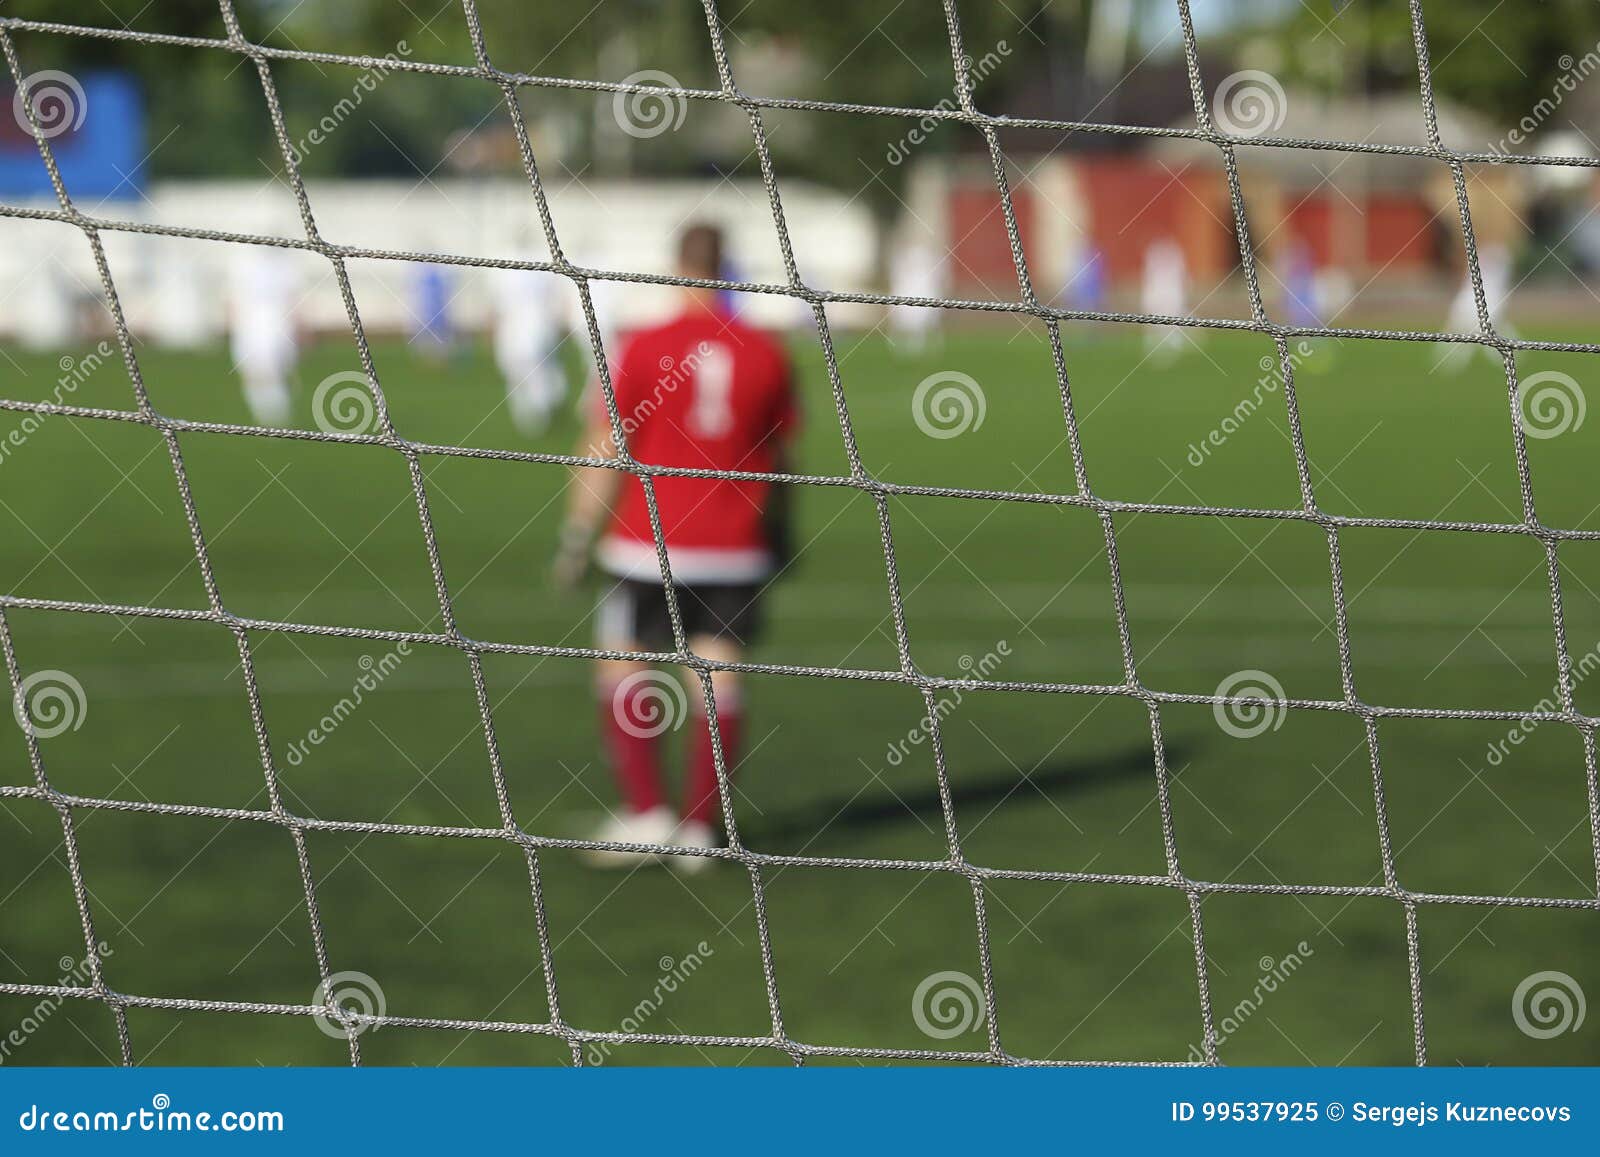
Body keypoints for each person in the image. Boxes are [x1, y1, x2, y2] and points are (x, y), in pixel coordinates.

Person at [553, 222, 798, 872]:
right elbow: (783, 456)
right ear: (728, 267)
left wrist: (577, 537)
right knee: (717, 676)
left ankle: (647, 811)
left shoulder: (645, 344)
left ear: (676, 265)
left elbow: (605, 446)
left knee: (622, 664)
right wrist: (781, 538)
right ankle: (699, 830)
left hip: (647, 542)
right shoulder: (766, 350)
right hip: (737, 542)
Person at [226, 242, 303, 426]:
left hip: (275, 320)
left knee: (270, 369)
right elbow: (234, 296)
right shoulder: (245, 264)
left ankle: (275, 414)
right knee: (252, 370)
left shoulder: (284, 266)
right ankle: (267, 413)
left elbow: (292, 296)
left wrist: (299, 325)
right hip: (250, 321)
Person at [491, 256, 568, 435]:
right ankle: (530, 411)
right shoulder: (507, 273)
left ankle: (541, 411)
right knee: (514, 370)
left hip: (536, 328)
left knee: (538, 368)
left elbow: (553, 298)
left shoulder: (540, 270)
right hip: (513, 329)